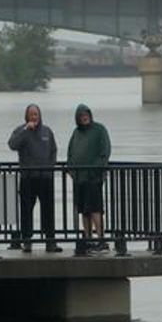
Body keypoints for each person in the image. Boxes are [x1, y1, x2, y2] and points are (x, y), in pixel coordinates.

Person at [7, 103, 62, 253]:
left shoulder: (47, 131)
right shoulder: (20, 130)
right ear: (27, 117)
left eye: (36, 114)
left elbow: (54, 150)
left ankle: (50, 241)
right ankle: (27, 241)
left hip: (45, 178)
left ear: (40, 115)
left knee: (48, 210)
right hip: (27, 178)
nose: (34, 117)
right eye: (31, 114)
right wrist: (26, 130)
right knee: (26, 210)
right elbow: (12, 145)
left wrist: (50, 167)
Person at [66, 103, 111, 252]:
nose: (84, 117)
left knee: (95, 209)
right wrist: (72, 170)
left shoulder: (100, 130)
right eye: (81, 115)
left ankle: (101, 240)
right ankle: (88, 239)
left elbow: (105, 152)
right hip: (79, 178)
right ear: (77, 118)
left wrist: (94, 170)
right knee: (84, 211)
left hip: (94, 178)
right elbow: (70, 153)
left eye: (86, 115)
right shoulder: (76, 133)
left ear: (90, 116)